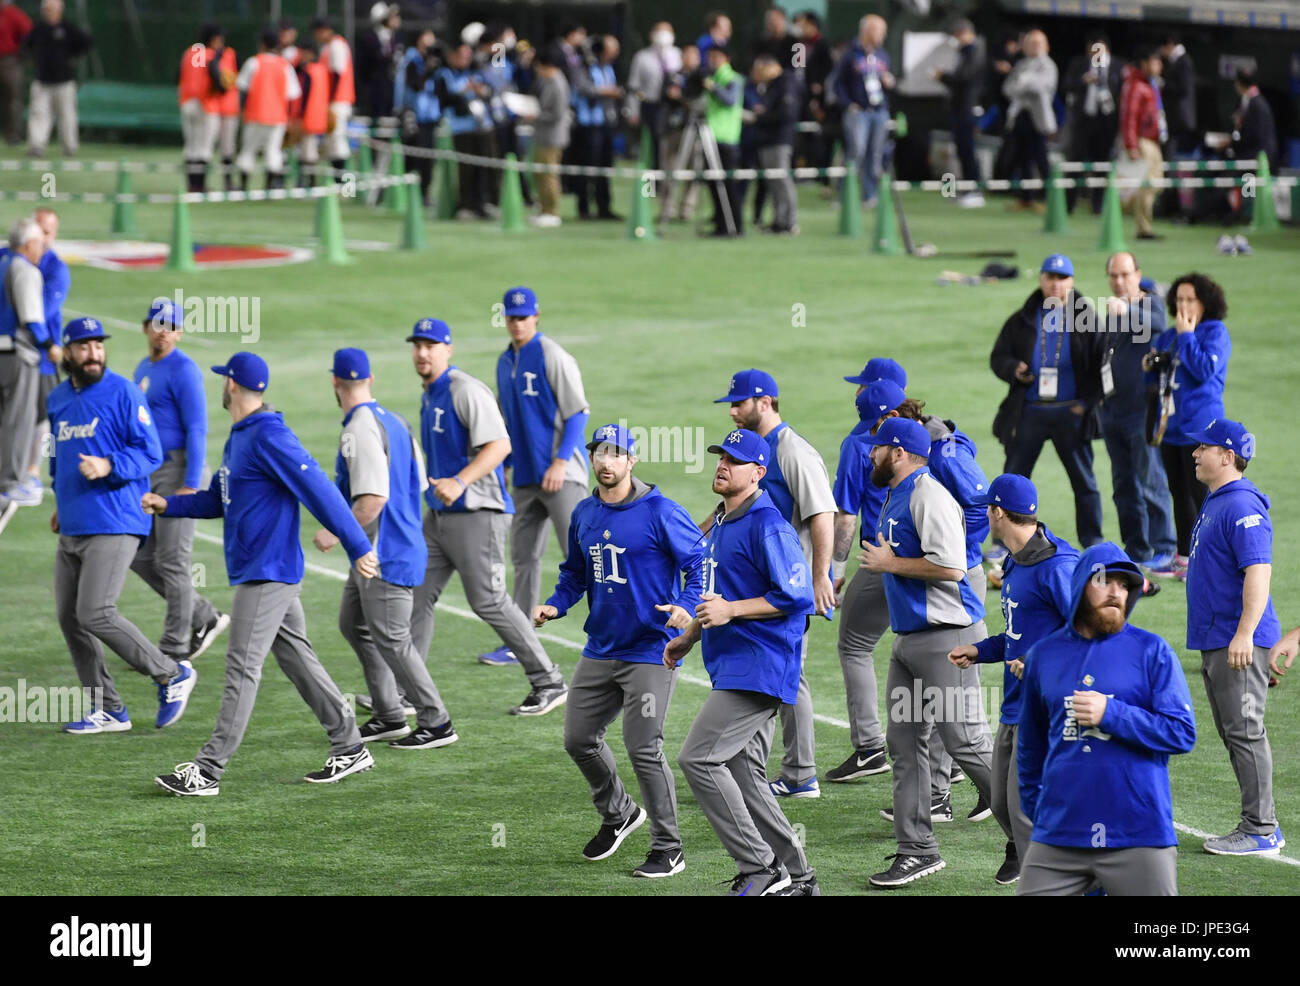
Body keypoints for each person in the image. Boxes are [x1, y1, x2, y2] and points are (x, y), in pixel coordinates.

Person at [149, 352, 378, 796]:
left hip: (267, 573)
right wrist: (168, 504)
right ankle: (350, 745)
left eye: (223, 381)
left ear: (231, 385)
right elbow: (216, 500)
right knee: (297, 660)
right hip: (263, 571)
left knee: (241, 669)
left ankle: (208, 770)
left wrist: (357, 546)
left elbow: (320, 490)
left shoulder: (270, 435)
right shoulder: (240, 437)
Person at [535, 423, 704, 877]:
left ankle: (669, 847)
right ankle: (619, 813)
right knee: (578, 739)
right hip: (600, 647)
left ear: (632, 461)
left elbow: (701, 562)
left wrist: (687, 608)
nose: (606, 461)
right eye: (598, 453)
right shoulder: (584, 512)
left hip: (652, 651)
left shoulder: (660, 511)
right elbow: (575, 573)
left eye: (615, 453)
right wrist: (555, 604)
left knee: (643, 748)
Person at [672, 428, 818, 896]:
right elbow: (720, 596)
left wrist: (731, 611)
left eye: (734, 460)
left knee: (697, 758)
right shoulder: (722, 520)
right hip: (732, 662)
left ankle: (760, 868)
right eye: (720, 457)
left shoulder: (767, 524)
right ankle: (801, 877)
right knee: (741, 771)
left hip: (760, 664)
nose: (722, 465)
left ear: (758, 472)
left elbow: (797, 597)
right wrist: (690, 636)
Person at [859, 417, 1002, 888]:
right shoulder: (898, 494)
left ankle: (1041, 830)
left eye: (877, 449)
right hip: (909, 642)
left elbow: (953, 567)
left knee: (963, 741)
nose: (871, 455)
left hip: (946, 638)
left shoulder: (928, 495)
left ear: (897, 452)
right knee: (903, 747)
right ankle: (917, 849)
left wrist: (888, 564)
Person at [407, 317, 568, 715]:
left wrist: (460, 482)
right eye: (417, 345)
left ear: (448, 349)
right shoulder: (430, 394)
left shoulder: (465, 391)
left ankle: (548, 681)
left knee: (489, 601)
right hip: (441, 516)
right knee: (415, 597)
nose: (423, 353)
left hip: (478, 513)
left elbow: (499, 446)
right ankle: (406, 691)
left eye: (432, 345)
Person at [1017, 543, 1196, 895]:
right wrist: (1044, 816)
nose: (1116, 592)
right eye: (1104, 581)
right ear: (1080, 585)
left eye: (1125, 585)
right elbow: (1030, 751)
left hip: (1138, 835)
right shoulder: (1043, 656)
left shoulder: (1152, 651)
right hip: (1059, 838)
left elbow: (1180, 732)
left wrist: (1111, 713)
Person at [49, 316, 197, 735]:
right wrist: (60, 500)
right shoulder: (58, 398)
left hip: (115, 520)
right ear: (69, 352)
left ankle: (171, 674)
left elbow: (150, 453)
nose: (93, 353)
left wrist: (109, 465)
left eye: (98, 345)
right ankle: (109, 709)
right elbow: (59, 456)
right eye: (83, 346)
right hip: (73, 524)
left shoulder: (124, 392)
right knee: (69, 617)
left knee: (95, 611)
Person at [316, 347, 457, 751]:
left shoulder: (359, 428)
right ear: (370, 380)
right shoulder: (393, 421)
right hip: (392, 546)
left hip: (384, 554)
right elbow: (422, 482)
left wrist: (334, 531)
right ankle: (389, 714)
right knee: (354, 624)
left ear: (334, 382)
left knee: (394, 639)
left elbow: (372, 500)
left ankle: (437, 721)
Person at [949, 474, 1079, 885]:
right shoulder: (1013, 561)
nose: (985, 514)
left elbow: (1086, 633)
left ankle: (1055, 880)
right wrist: (981, 651)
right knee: (1002, 803)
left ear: (998, 513)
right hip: (1014, 701)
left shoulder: (1058, 567)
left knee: (1024, 807)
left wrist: (1042, 664)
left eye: (988, 507)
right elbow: (1018, 633)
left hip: (1046, 705)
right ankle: (1033, 858)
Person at [713, 369, 834, 801]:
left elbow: (822, 514)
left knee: (789, 673)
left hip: (788, 583)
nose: (732, 411)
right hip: (759, 580)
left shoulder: (793, 451)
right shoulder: (751, 453)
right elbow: (726, 511)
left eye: (739, 403)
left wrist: (821, 575)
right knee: (777, 672)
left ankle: (800, 774)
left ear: (765, 403)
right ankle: (761, 769)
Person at [1185, 419, 1284, 856]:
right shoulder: (1218, 502)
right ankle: (1256, 823)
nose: (1194, 453)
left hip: (1237, 641)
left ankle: (1262, 828)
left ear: (1227, 456)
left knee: (1245, 732)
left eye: (1202, 447)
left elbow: (1258, 572)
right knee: (1235, 734)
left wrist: (1245, 633)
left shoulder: (1241, 504)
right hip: (1218, 639)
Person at [492, 287, 590, 666]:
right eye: (511, 317)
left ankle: (618, 629)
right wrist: (503, 467)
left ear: (536, 316)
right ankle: (520, 640)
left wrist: (560, 462)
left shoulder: (552, 355)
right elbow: (503, 421)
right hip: (526, 478)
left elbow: (578, 412)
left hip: (561, 475)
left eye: (523, 316)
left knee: (583, 555)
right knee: (524, 557)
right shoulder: (504, 362)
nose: (517, 323)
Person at [130, 299, 229, 664]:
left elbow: (197, 427)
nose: (164, 332)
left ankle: (173, 646)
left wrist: (190, 484)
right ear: (145, 328)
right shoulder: (144, 366)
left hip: (178, 471)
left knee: (172, 559)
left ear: (179, 332)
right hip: (151, 473)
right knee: (140, 555)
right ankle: (204, 615)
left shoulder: (184, 369)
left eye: (171, 326)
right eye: (158, 324)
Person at [826, 361, 907, 783]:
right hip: (934, 562)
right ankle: (948, 762)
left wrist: (834, 571)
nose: (856, 394)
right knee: (927, 653)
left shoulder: (858, 443)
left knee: (854, 645)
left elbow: (845, 518)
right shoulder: (930, 437)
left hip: (881, 561)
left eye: (862, 388)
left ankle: (870, 748)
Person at [991, 253, 1105, 548]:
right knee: (1012, 481)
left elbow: (1102, 365)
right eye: (1050, 277)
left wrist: (1087, 403)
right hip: (1030, 410)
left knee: (1085, 484)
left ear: (1072, 281)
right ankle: (1003, 542)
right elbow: (998, 357)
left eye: (1062, 278)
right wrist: (1013, 369)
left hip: (1071, 412)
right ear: (1041, 279)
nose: (1056, 284)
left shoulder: (1087, 318)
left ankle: (1092, 541)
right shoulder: (1023, 318)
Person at [1143, 272, 1231, 578]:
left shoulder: (1214, 332)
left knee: (1200, 495)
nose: (1183, 305)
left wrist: (1186, 336)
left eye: (1190, 299)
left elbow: (1205, 368)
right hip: (1172, 427)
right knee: (1178, 492)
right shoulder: (1168, 335)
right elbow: (1154, 381)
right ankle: (1184, 557)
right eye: (1179, 299)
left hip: (1202, 428)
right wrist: (1151, 366)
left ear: (1205, 302)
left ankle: (1209, 560)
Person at [1098, 252, 1175, 570]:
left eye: (1125, 275)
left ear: (1137, 274)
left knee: (1150, 480)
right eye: (1113, 276)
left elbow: (1158, 323)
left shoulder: (1150, 303)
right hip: (1111, 411)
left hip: (1141, 411)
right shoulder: (1112, 312)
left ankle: (1164, 547)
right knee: (1123, 484)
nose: (1119, 282)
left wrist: (1126, 309)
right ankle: (1136, 548)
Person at [0, 216, 54, 517]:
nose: (42, 249)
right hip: (17, 355)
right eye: (39, 244)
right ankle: (12, 481)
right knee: (19, 419)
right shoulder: (25, 270)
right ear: (29, 244)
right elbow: (32, 318)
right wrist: (51, 346)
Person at [23, 207, 66, 501]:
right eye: (39, 229)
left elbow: (39, 312)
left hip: (41, 356)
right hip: (20, 352)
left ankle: (32, 471)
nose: (43, 236)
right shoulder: (15, 261)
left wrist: (49, 344)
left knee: (40, 416)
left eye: (48, 231)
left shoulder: (56, 269)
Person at [834, 14, 894, 207]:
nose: (882, 36)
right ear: (867, 31)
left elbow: (887, 81)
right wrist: (847, 104)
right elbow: (837, 83)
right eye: (879, 31)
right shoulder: (850, 54)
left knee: (874, 155)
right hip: (858, 112)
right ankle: (844, 196)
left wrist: (889, 82)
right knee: (856, 151)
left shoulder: (882, 55)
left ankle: (869, 195)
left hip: (878, 110)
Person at [434, 42, 498, 220]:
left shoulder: (475, 72)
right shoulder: (444, 75)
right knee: (466, 169)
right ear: (452, 56)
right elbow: (443, 101)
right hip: (460, 128)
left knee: (485, 167)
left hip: (481, 126)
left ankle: (484, 204)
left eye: (468, 56)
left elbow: (490, 91)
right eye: (462, 56)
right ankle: (466, 206)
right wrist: (463, 93)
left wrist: (481, 91)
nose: (466, 60)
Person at [1062, 35, 1121, 214]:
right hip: (1083, 121)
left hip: (1107, 124)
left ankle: (1097, 206)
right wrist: (1083, 81)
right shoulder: (1079, 64)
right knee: (1075, 163)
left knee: (1102, 166)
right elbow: (1066, 85)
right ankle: (1068, 205)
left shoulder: (1119, 66)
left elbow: (1122, 93)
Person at [235, 29, 301, 191]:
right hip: (278, 117)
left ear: (262, 44)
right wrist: (291, 118)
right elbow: (293, 95)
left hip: (255, 115)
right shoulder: (285, 65)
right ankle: (269, 187)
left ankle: (243, 186)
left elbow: (242, 88)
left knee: (249, 150)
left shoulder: (254, 62)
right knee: (273, 151)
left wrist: (241, 110)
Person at [23, 0, 91, 157]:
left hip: (64, 81)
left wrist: (72, 57)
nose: (48, 12)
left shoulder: (68, 28)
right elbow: (26, 45)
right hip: (42, 80)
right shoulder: (39, 29)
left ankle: (69, 147)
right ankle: (37, 147)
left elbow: (86, 42)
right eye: (46, 9)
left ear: (59, 11)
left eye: (51, 9)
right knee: (39, 114)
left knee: (67, 115)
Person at [1001, 29, 1056, 211]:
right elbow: (1008, 88)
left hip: (1038, 119)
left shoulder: (1048, 66)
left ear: (1046, 46)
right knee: (1023, 158)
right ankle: (1027, 199)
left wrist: (1023, 82)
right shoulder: (1022, 64)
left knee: (1041, 159)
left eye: (1038, 43)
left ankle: (1053, 199)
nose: (1034, 47)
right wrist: (1024, 83)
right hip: (1020, 117)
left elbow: (1041, 86)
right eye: (1031, 43)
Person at [933, 19, 985, 208]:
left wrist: (943, 76)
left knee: (968, 151)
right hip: (958, 109)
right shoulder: (963, 53)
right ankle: (964, 189)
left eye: (958, 34)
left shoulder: (975, 51)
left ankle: (975, 191)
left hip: (967, 110)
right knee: (961, 152)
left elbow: (963, 78)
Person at [573, 35, 622, 222]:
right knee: (586, 167)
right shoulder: (584, 67)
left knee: (605, 167)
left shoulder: (608, 68)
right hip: (588, 124)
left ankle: (604, 207)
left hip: (606, 123)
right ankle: (583, 208)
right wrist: (606, 91)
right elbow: (583, 88)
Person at [1119, 48, 1165, 240]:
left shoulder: (1150, 84)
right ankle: (1143, 228)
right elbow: (1129, 117)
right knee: (1146, 185)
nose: (1160, 66)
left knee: (1155, 184)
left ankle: (1144, 224)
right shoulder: (1136, 86)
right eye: (1156, 61)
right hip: (1142, 141)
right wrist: (1132, 145)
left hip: (1152, 141)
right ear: (1145, 63)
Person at [750, 53, 799, 234]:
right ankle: (779, 220)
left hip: (780, 139)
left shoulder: (786, 82)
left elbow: (787, 112)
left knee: (782, 181)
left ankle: (790, 221)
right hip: (767, 139)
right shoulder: (770, 86)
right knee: (773, 183)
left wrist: (762, 116)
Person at [393, 29, 440, 206]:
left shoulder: (434, 61)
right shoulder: (411, 60)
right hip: (413, 114)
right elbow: (415, 84)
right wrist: (428, 69)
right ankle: (409, 192)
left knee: (428, 157)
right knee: (413, 155)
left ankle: (424, 193)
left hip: (430, 116)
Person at [625, 21, 680, 169]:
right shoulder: (642, 57)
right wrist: (633, 111)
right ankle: (650, 187)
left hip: (672, 108)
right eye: (661, 32)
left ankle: (666, 186)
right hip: (650, 106)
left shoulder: (677, 55)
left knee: (671, 149)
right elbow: (633, 87)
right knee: (651, 150)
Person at [179, 25, 226, 192]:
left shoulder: (188, 53)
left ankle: (192, 184)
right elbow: (218, 83)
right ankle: (200, 185)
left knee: (191, 146)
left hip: (187, 103)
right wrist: (224, 87)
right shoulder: (210, 56)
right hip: (205, 105)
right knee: (204, 147)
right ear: (213, 39)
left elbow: (177, 76)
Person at [702, 44, 743, 236]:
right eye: (710, 56)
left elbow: (730, 100)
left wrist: (712, 87)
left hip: (725, 137)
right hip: (711, 136)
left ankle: (735, 226)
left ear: (726, 58)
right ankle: (721, 225)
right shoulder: (714, 77)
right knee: (713, 184)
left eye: (716, 56)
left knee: (727, 185)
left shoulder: (731, 78)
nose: (712, 60)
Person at [528, 48, 569, 227]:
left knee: (549, 175)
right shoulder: (549, 82)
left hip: (553, 136)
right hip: (543, 135)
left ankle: (552, 211)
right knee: (540, 174)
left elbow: (557, 113)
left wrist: (535, 115)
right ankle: (544, 209)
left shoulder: (558, 83)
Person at [310, 16, 356, 179]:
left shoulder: (337, 45)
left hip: (338, 100)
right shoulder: (327, 47)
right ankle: (339, 183)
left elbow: (337, 74)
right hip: (332, 101)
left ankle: (345, 186)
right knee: (332, 143)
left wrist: (329, 100)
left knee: (337, 141)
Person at [356, 1, 399, 119]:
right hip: (375, 91)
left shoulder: (394, 38)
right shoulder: (369, 39)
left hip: (390, 90)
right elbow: (364, 67)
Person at [1232, 68, 1277, 174]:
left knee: (1249, 190)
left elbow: (1255, 135)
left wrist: (1233, 143)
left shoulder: (1257, 104)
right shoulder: (1247, 102)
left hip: (1259, 161)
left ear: (1239, 84)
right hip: (1252, 158)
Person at [0, 0, 31, 144]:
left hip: (9, 60)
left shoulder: (13, 13)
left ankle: (13, 136)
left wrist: (20, 53)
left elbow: (28, 32)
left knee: (13, 99)